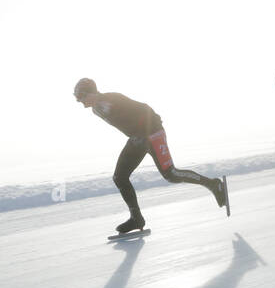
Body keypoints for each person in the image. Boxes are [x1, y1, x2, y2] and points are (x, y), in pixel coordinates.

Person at [73, 79, 229, 234]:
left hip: (152, 133)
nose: (80, 102)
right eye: (77, 98)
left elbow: (144, 108)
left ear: (91, 92)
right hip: (138, 138)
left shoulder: (112, 98)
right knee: (119, 177)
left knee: (171, 174)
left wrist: (151, 125)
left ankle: (213, 185)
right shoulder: (96, 109)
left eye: (81, 97)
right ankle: (136, 219)